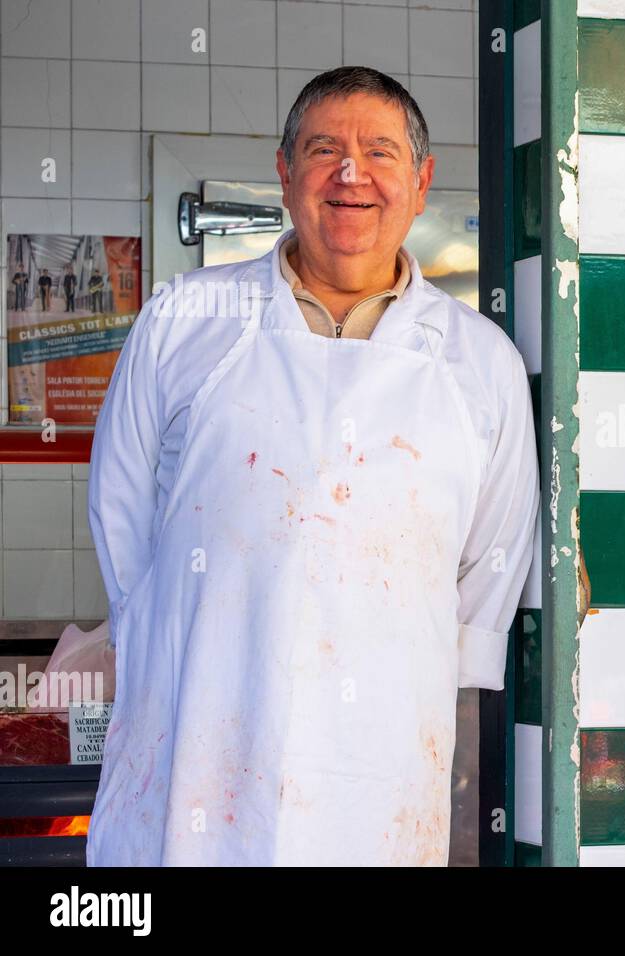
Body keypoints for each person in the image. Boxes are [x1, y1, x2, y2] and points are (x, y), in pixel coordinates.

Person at [86, 66, 540, 866]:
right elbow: (120, 510)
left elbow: (488, 565)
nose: (352, 174)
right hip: (196, 733)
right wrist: (174, 629)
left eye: (381, 152)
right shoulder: (182, 320)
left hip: (384, 756)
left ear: (422, 179)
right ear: (285, 173)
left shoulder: (481, 362)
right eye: (325, 150)